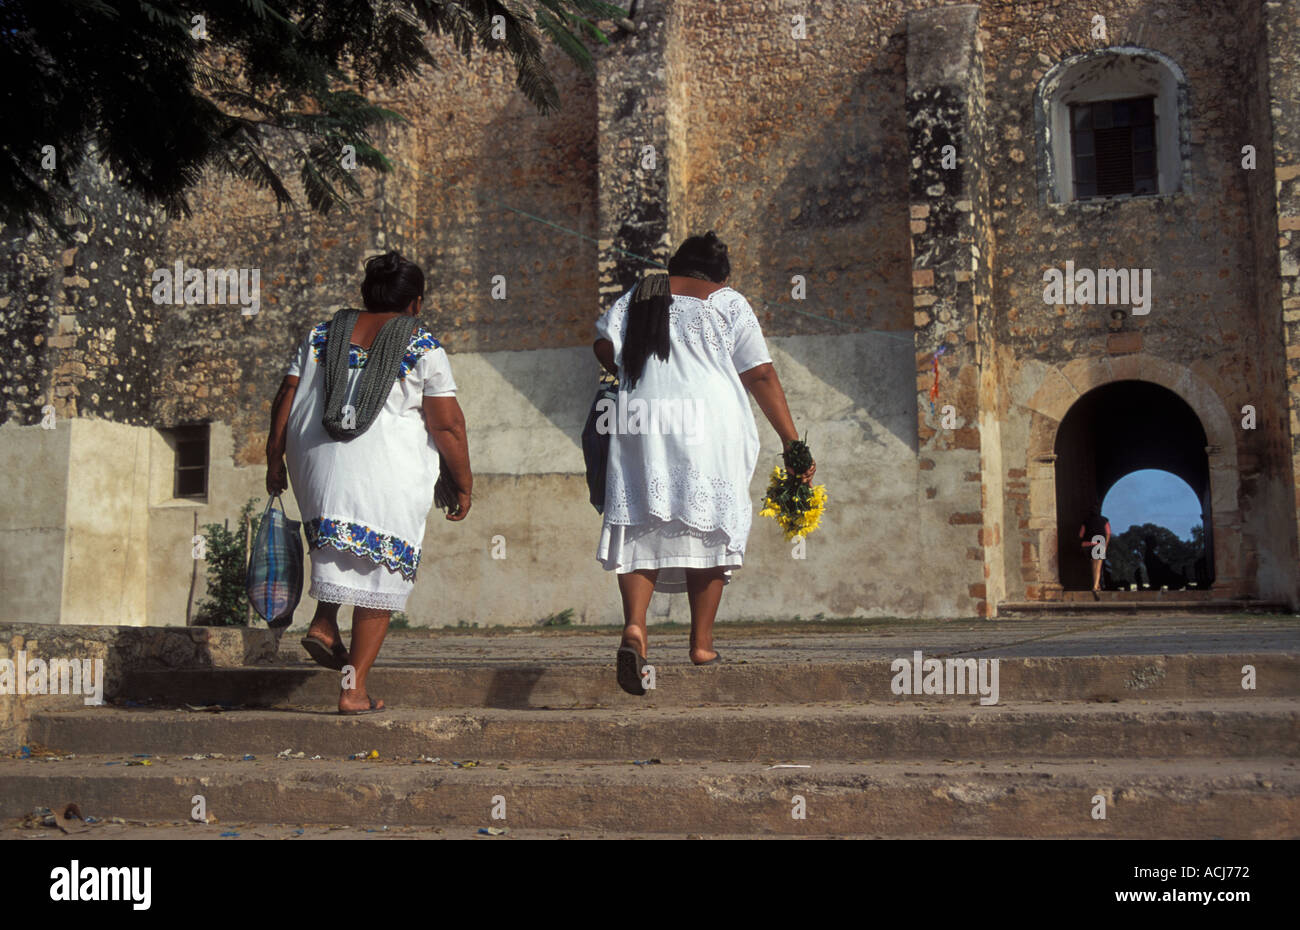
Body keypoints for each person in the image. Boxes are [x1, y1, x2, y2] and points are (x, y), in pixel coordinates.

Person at [592, 232, 814, 695]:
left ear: (676, 265)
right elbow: (761, 373)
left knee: (640, 518)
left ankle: (636, 628)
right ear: (719, 275)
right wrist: (793, 442)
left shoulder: (642, 293)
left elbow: (604, 346)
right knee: (712, 519)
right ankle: (702, 644)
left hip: (642, 417)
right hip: (709, 422)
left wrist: (635, 371)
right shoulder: (727, 301)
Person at [265, 251, 472, 714]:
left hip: (315, 466)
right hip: (380, 472)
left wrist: (273, 457)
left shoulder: (321, 334)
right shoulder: (423, 348)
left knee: (342, 544)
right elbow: (448, 427)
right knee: (381, 574)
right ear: (416, 304)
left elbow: (287, 393)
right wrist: (464, 483)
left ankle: (323, 621)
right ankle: (352, 690)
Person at [1078, 503, 1111, 600]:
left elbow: (1080, 535)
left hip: (1086, 545)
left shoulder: (1086, 521)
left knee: (1093, 564)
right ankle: (1095, 586)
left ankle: (1096, 584)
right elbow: (1108, 533)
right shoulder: (1105, 520)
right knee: (1098, 566)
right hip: (1099, 543)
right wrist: (1105, 545)